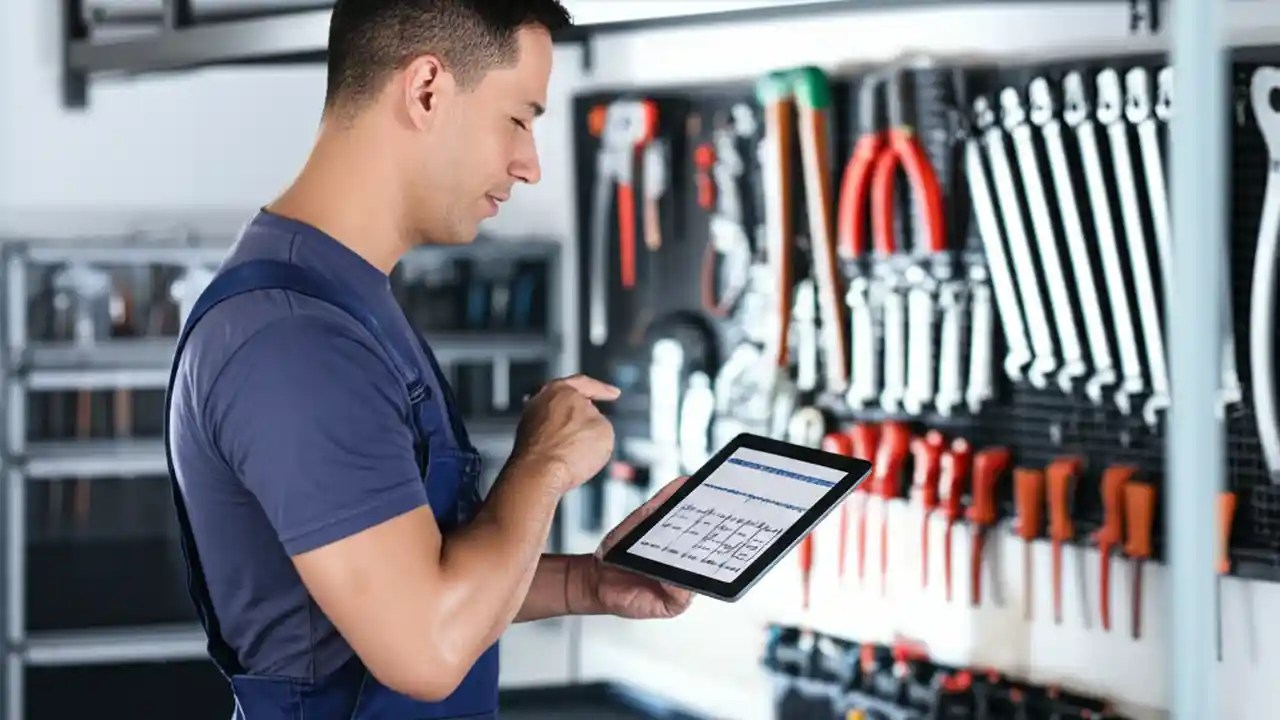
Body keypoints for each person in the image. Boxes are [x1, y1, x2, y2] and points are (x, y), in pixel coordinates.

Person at [163, 1, 693, 718]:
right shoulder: (290, 342)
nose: (529, 164)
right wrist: (544, 465)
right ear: (427, 91)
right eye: (519, 118)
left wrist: (585, 584)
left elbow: (414, 579)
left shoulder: (345, 303)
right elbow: (426, 650)